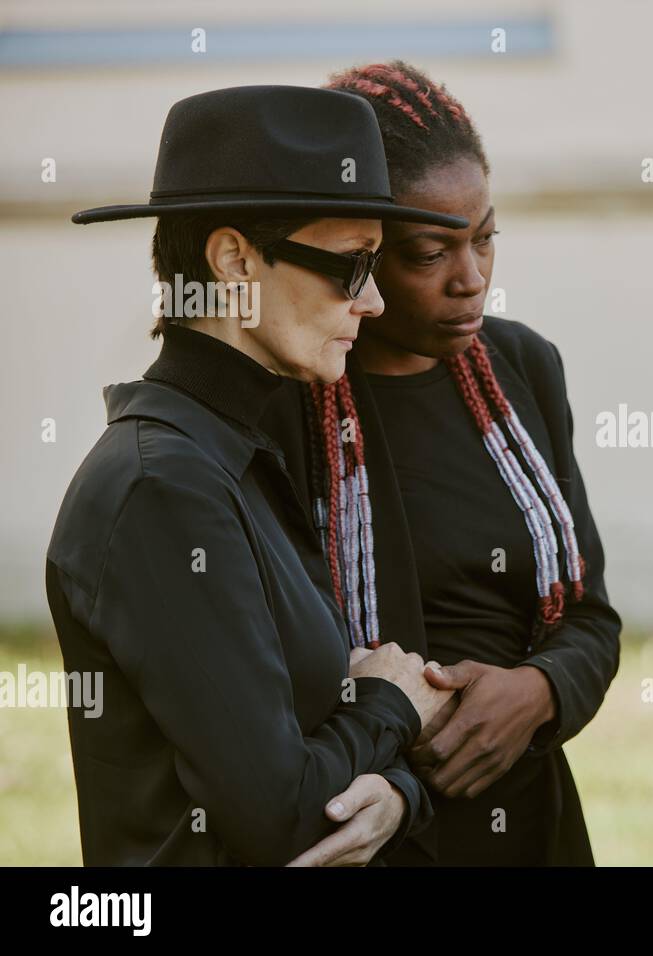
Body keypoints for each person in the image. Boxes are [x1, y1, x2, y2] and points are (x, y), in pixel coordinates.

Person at [45, 85, 467, 865]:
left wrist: (399, 797)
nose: (372, 300)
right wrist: (389, 705)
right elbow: (280, 816)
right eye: (351, 266)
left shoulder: (228, 452)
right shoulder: (163, 488)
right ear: (234, 260)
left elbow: (305, 757)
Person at [260, 62, 621, 866]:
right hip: (362, 824)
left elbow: (590, 619)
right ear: (364, 252)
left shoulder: (524, 368)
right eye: (431, 253)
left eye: (485, 237)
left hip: (528, 822)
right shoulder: (288, 402)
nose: (473, 279)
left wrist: (539, 693)